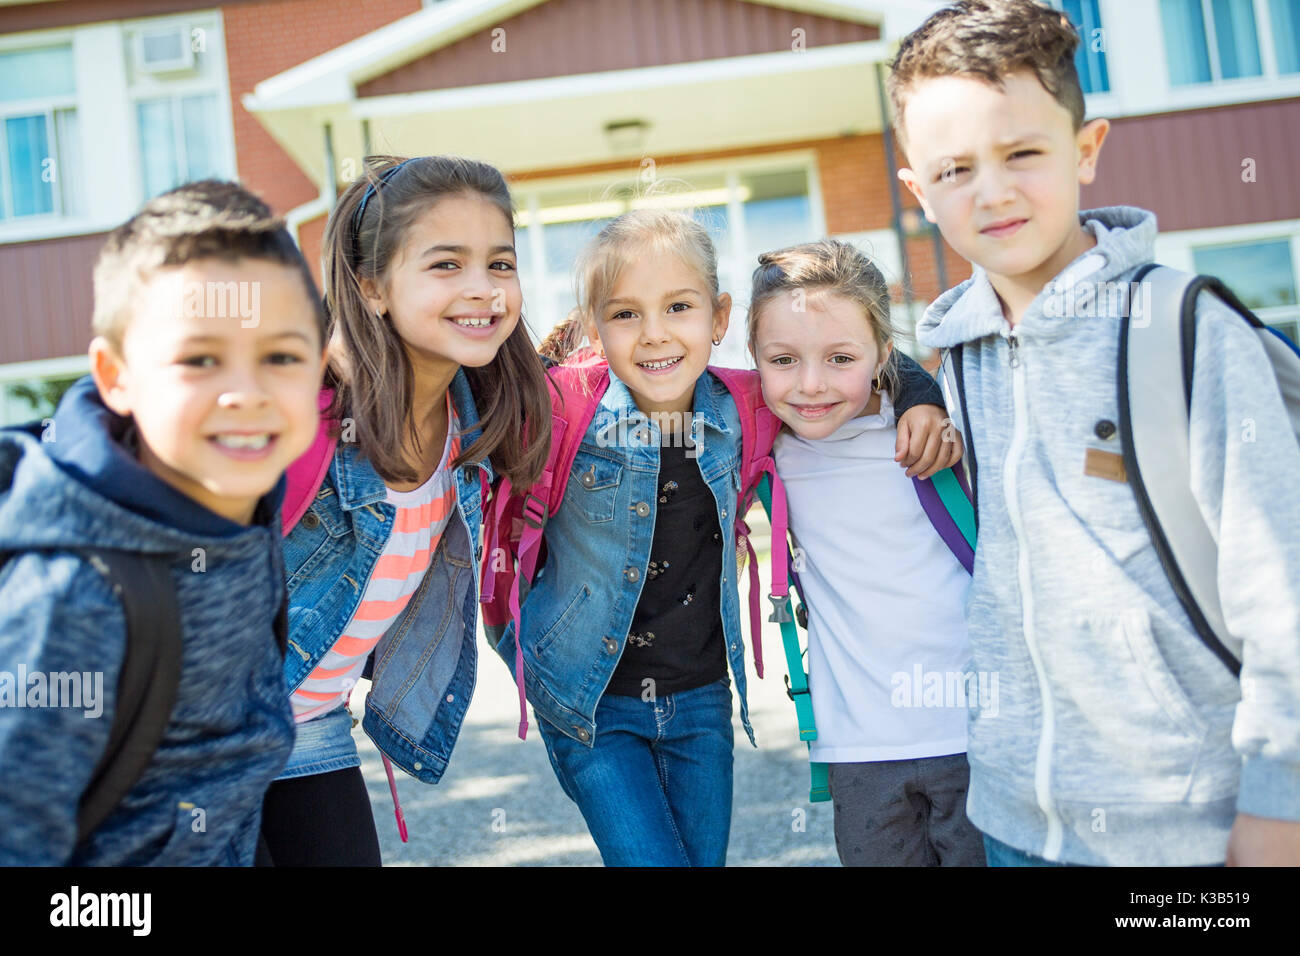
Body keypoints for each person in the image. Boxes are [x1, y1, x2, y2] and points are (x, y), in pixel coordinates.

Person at [894, 0, 1300, 865]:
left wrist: (1283, 804)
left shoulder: (1186, 330)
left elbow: (1285, 591)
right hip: (1009, 821)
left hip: (1189, 831)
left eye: (1023, 153)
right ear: (919, 193)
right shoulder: (956, 353)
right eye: (955, 169)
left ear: (1086, 150)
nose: (993, 191)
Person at [495, 208, 954, 866]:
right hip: (587, 701)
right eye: (625, 314)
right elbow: (472, 398)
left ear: (717, 318)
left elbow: (848, 347)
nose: (655, 335)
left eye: (679, 307)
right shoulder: (563, 405)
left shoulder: (748, 406)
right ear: (596, 327)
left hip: (701, 699)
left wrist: (918, 392)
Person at [0, 180, 327, 865]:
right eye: (199, 359)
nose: (246, 392)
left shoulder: (241, 512)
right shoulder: (77, 596)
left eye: (281, 357)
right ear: (115, 376)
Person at [261, 155, 553, 866]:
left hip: (311, 731)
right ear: (373, 288)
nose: (483, 290)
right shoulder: (303, 415)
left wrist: (878, 384)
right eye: (446, 265)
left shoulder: (480, 418)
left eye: (500, 264)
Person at [750, 238, 982, 866]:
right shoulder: (765, 448)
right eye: (783, 359)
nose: (811, 384)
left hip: (978, 733)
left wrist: (922, 394)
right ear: (754, 357)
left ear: (883, 353)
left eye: (840, 357)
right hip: (859, 751)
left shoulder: (940, 432)